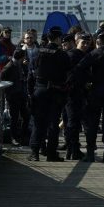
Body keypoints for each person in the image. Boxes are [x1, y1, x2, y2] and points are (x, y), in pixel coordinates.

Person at [70, 33, 104, 163]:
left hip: (95, 91)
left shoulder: (93, 54)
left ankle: (90, 153)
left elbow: (78, 68)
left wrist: (88, 80)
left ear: (98, 42)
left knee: (93, 123)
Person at [27, 27, 71, 162]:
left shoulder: (38, 52)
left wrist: (30, 93)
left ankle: (35, 152)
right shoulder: (62, 54)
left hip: (39, 91)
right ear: (58, 39)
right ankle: (51, 153)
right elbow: (68, 74)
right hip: (56, 92)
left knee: (38, 123)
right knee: (53, 124)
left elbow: (31, 73)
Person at [64, 32, 92, 160]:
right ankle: (73, 149)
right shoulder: (74, 56)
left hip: (78, 93)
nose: (85, 45)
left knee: (72, 122)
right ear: (77, 42)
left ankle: (72, 148)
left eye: (87, 43)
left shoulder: (83, 55)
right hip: (73, 93)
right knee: (73, 122)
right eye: (83, 42)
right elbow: (70, 75)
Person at [0, 49, 30, 146]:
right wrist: (7, 91)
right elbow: (1, 78)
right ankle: (14, 137)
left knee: (26, 116)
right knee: (14, 117)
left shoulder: (21, 65)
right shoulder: (9, 67)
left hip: (21, 94)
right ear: (21, 57)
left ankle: (23, 136)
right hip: (13, 95)